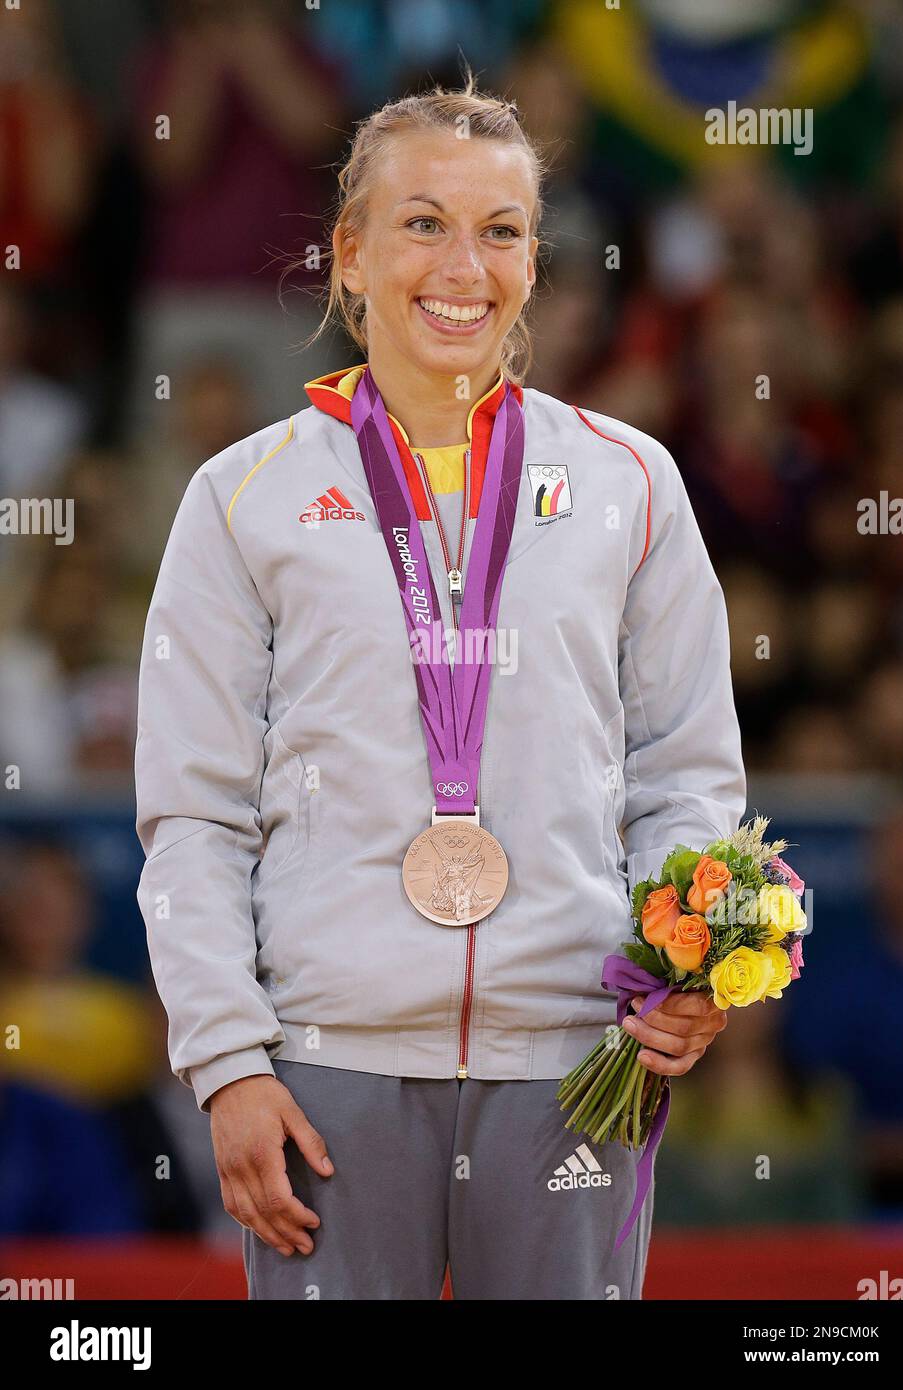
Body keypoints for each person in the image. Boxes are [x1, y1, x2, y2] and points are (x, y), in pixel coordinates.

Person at [134, 72, 746, 1301]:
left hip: (576, 1061)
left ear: (532, 261)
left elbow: (687, 778)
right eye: (422, 223)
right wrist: (228, 1061)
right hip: (324, 1067)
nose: (462, 265)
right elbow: (193, 817)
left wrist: (691, 965)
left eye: (500, 231)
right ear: (348, 255)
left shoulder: (631, 483)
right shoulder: (242, 498)